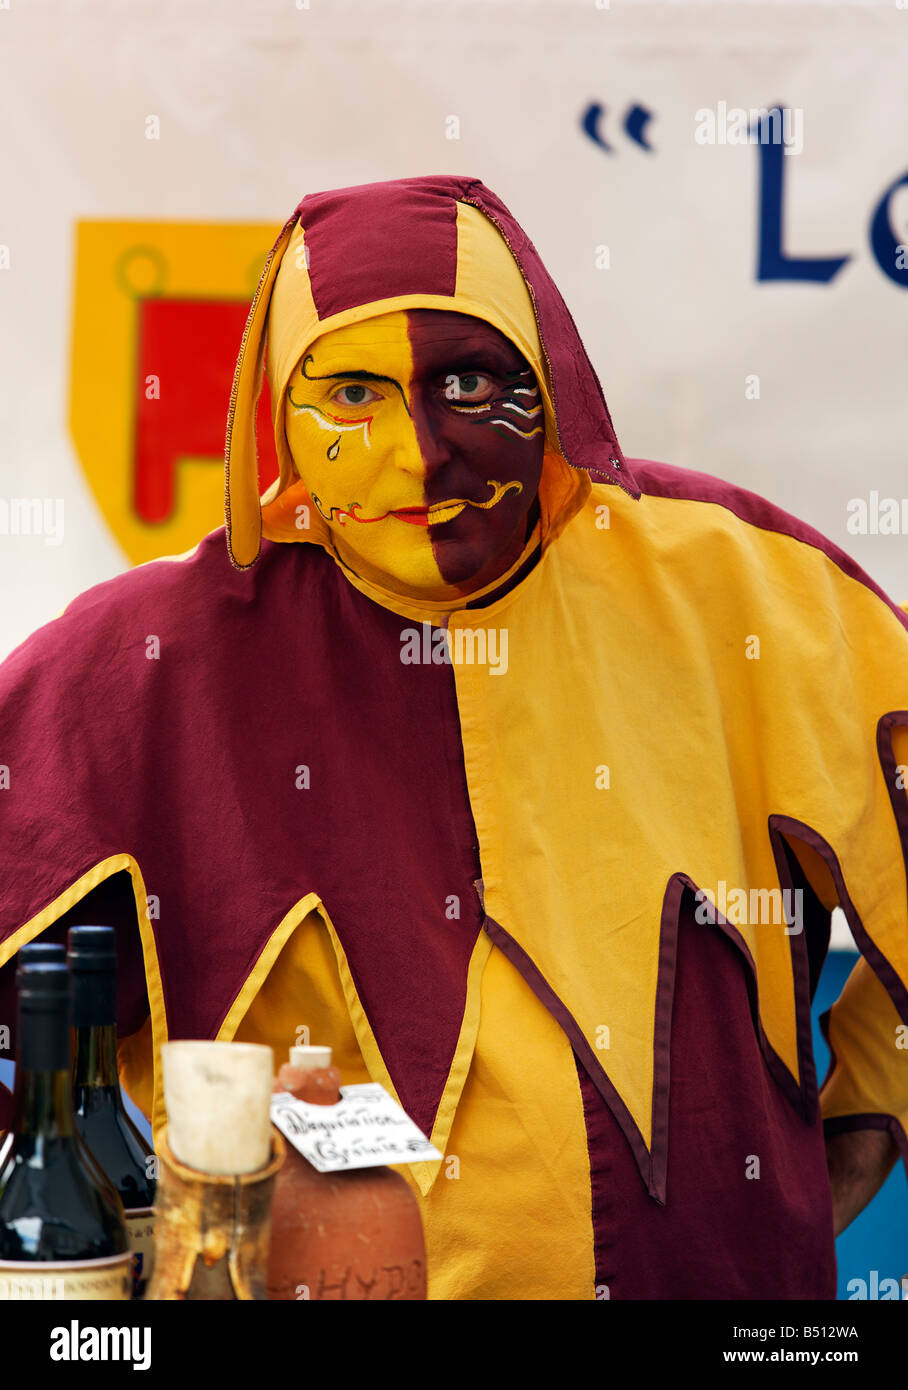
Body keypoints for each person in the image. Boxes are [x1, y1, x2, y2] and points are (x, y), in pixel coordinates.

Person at [0, 174, 906, 1300]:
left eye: (467, 382)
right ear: (277, 409)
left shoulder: (738, 585)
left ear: (550, 378)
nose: (420, 450)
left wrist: (874, 1098)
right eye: (353, 396)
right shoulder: (147, 661)